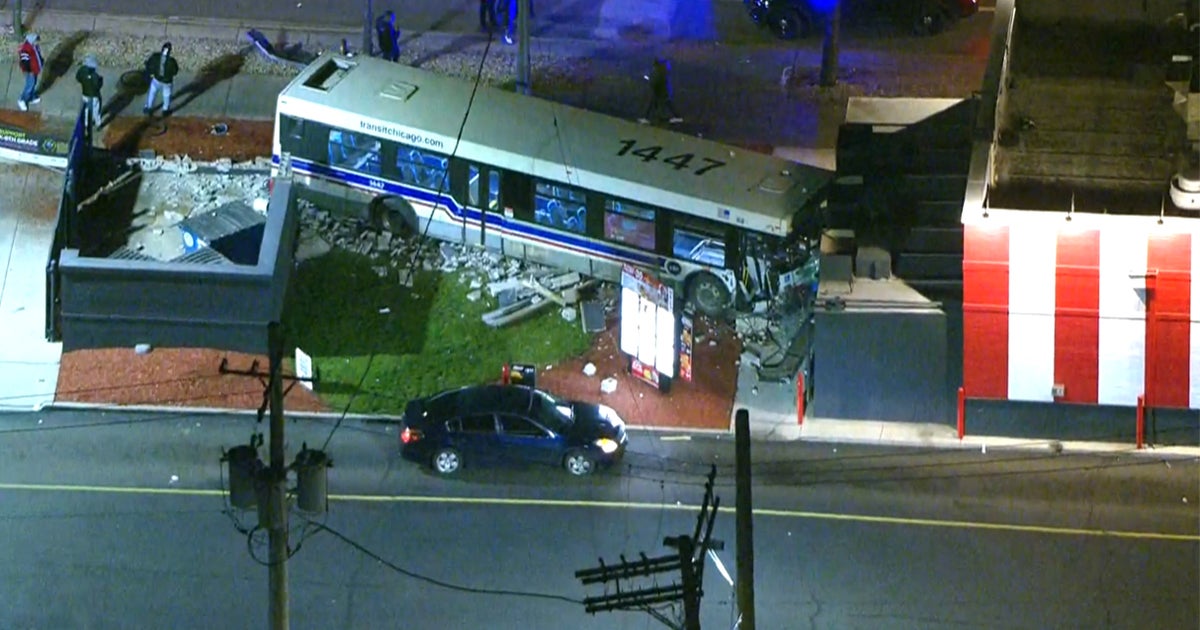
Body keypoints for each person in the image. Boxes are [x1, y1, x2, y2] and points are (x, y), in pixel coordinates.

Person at [639, 57, 683, 125]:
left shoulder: (658, 71)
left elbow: (655, 82)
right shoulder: (663, 71)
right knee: (664, 103)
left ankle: (649, 118)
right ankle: (647, 118)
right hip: (663, 91)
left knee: (657, 104)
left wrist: (649, 80)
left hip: (660, 92)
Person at [143, 42, 179, 116]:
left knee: (152, 93)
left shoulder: (155, 57)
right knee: (166, 95)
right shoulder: (172, 61)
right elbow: (175, 71)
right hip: (167, 82)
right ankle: (165, 110)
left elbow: (149, 65)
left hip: (156, 79)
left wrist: (151, 73)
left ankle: (148, 107)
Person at [75, 55, 104, 132]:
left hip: (85, 94)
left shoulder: (81, 71)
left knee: (86, 110)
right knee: (96, 110)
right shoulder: (95, 76)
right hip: (94, 95)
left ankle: (86, 124)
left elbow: (77, 78)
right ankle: (98, 124)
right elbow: (98, 86)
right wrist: (101, 80)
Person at [16, 33, 44, 112]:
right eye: (36, 40)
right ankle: (22, 99)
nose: (37, 42)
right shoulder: (26, 49)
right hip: (30, 71)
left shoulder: (34, 47)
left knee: (33, 84)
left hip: (34, 70)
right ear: (32, 41)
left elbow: (37, 56)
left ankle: (31, 97)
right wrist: (29, 70)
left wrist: (41, 62)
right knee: (29, 85)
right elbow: (24, 61)